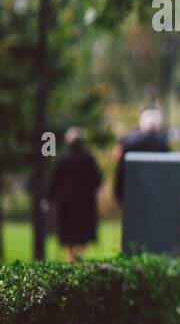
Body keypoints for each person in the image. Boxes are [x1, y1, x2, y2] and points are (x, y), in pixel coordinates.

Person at [45, 127, 102, 261]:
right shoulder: (89, 159)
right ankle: (81, 255)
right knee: (83, 230)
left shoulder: (62, 160)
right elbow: (97, 179)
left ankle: (71, 257)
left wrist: (48, 198)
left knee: (69, 232)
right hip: (85, 201)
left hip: (67, 201)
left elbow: (55, 181)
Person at [112, 108, 170, 206]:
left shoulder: (129, 144)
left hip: (132, 196)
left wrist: (118, 194)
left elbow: (121, 172)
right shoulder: (162, 146)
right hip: (155, 197)